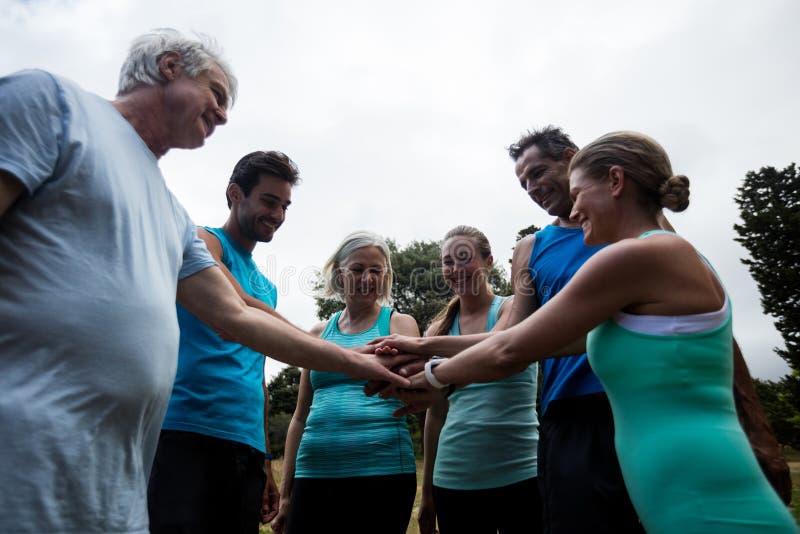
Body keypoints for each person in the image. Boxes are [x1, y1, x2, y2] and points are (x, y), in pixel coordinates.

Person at [0, 29, 405, 534]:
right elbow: (240, 306)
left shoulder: (170, 214)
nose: (224, 114)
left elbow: (234, 316)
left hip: (115, 473)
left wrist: (356, 358)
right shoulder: (52, 103)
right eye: (216, 93)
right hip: (28, 448)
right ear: (169, 67)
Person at [400, 131, 798, 533]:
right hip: (584, 421)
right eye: (523, 183)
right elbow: (521, 340)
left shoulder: (641, 249)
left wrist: (430, 372)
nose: (536, 190)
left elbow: (511, 349)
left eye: (540, 173)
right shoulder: (541, 250)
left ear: (607, 177)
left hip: (668, 444)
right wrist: (425, 354)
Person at [148, 150, 300, 533]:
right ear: (235, 194)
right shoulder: (203, 242)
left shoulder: (267, 288)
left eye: (284, 206)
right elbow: (238, 306)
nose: (278, 215)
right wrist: (332, 349)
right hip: (186, 432)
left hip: (245, 445)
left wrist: (265, 459)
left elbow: (257, 375)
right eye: (269, 201)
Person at [272, 231, 420, 534]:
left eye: (376, 270)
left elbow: (417, 393)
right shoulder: (318, 334)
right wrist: (286, 494)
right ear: (340, 274)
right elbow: (300, 416)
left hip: (383, 473)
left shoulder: (399, 324)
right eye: (357, 269)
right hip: (313, 474)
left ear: (386, 276)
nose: (367, 278)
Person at [418, 226, 542, 534]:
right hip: (455, 479)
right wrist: (428, 492)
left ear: (488, 261)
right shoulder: (436, 331)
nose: (456, 268)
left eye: (465, 258)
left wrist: (421, 346)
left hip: (523, 472)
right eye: (448, 261)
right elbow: (436, 415)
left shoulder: (513, 309)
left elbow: (496, 345)